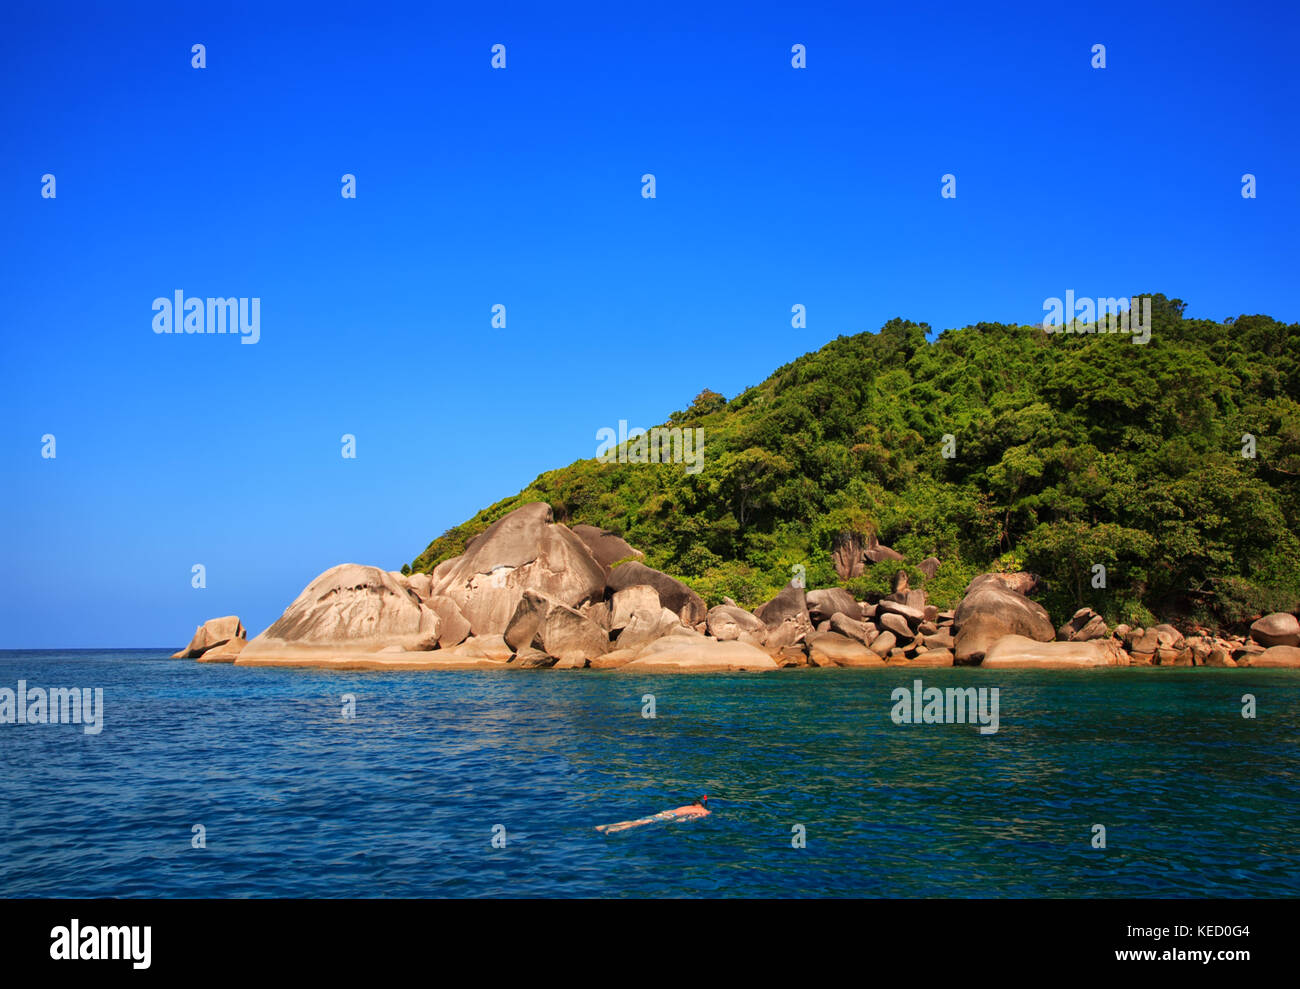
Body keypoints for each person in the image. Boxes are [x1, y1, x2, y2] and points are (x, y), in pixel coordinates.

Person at [596, 796, 709, 833]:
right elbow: (699, 816)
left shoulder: (685, 807)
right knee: (639, 824)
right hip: (670, 816)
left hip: (666, 813)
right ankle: (612, 829)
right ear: (699, 805)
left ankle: (604, 826)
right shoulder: (703, 810)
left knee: (639, 820)